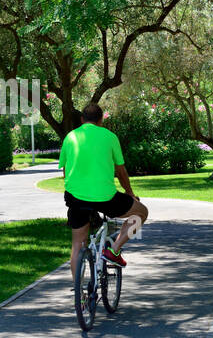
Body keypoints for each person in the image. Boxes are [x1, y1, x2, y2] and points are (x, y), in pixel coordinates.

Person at [58, 102, 148, 278]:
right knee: (141, 213)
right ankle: (114, 250)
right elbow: (121, 172)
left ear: (82, 119)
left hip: (75, 198)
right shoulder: (110, 136)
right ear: (100, 120)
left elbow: (65, 171)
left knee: (77, 245)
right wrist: (130, 194)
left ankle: (80, 295)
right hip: (106, 197)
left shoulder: (70, 137)